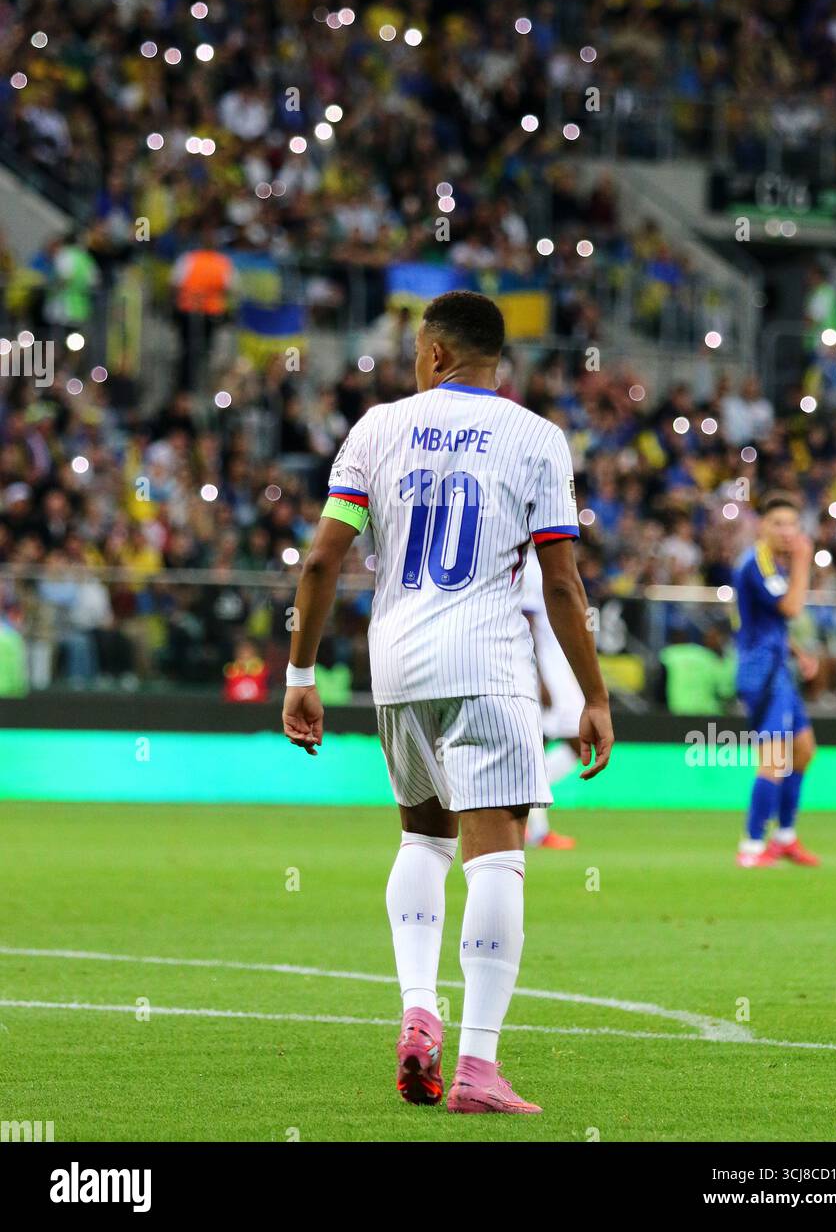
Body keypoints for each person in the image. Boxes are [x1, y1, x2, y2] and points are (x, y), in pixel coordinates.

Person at [282, 291, 614, 1115]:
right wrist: (595, 695)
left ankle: (418, 1006)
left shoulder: (376, 429)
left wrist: (298, 675)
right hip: (487, 666)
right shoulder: (538, 439)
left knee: (423, 840)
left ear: (433, 355)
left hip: (396, 668)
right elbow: (562, 582)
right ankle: (478, 1067)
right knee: (496, 852)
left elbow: (322, 564)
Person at [733, 493, 819, 869]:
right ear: (762, 526)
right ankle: (751, 847)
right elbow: (791, 608)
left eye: (793, 525)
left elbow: (771, 622)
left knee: (803, 749)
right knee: (773, 758)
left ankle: (784, 838)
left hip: (778, 667)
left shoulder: (771, 565)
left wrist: (797, 651)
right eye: (778, 524)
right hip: (762, 673)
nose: (787, 532)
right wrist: (804, 561)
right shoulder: (758, 562)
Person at [520, 546, 585, 849]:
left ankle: (531, 822)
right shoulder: (530, 564)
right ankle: (526, 816)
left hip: (557, 667)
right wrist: (540, 678)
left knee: (539, 747)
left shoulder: (540, 560)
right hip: (546, 670)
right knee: (578, 742)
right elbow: (527, 621)